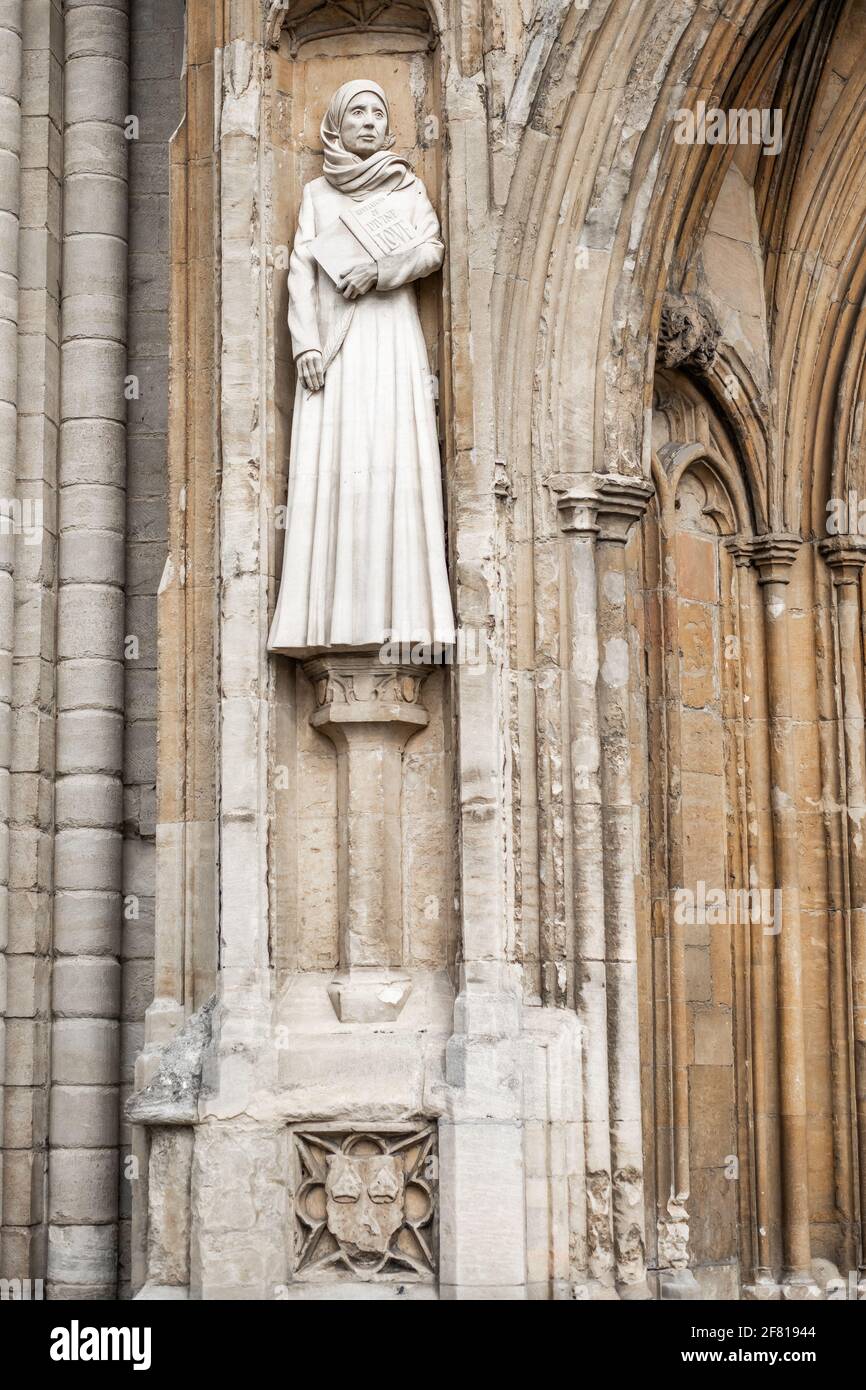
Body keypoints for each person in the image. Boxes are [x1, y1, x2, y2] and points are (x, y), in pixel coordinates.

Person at [268, 78, 455, 655]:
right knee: (340, 463)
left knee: (391, 459)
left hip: (390, 337)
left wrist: (383, 270)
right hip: (337, 346)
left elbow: (432, 250)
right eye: (357, 114)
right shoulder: (318, 198)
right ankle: (327, 618)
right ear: (336, 126)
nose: (369, 122)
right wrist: (305, 346)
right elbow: (299, 274)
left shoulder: (407, 189)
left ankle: (406, 618)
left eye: (377, 112)